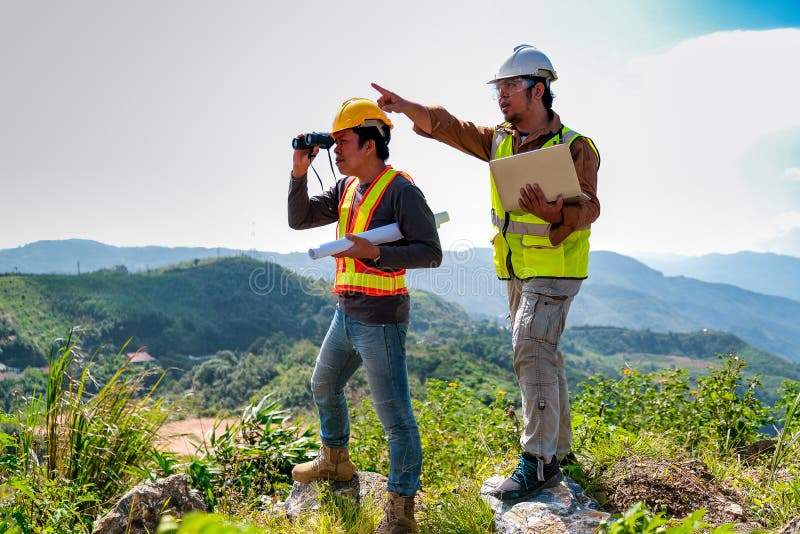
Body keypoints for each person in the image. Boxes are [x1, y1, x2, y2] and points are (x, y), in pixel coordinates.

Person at [372, 44, 600, 501]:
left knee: (530, 346)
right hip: (516, 268)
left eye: (510, 87)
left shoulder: (575, 147)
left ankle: (537, 462)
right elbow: (449, 126)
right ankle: (560, 449)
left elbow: (590, 207)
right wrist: (406, 107)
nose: (501, 97)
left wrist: (557, 212)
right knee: (544, 355)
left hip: (556, 267)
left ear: (538, 89)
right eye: (498, 89)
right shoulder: (500, 140)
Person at [288, 97, 442, 533]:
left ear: (370, 143)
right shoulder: (346, 189)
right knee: (324, 383)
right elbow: (298, 219)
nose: (336, 150)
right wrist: (299, 172)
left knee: (396, 418)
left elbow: (431, 252)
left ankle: (400, 513)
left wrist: (374, 251)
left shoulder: (401, 190)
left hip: (382, 320)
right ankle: (336, 462)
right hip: (347, 313)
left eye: (344, 141)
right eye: (332, 142)